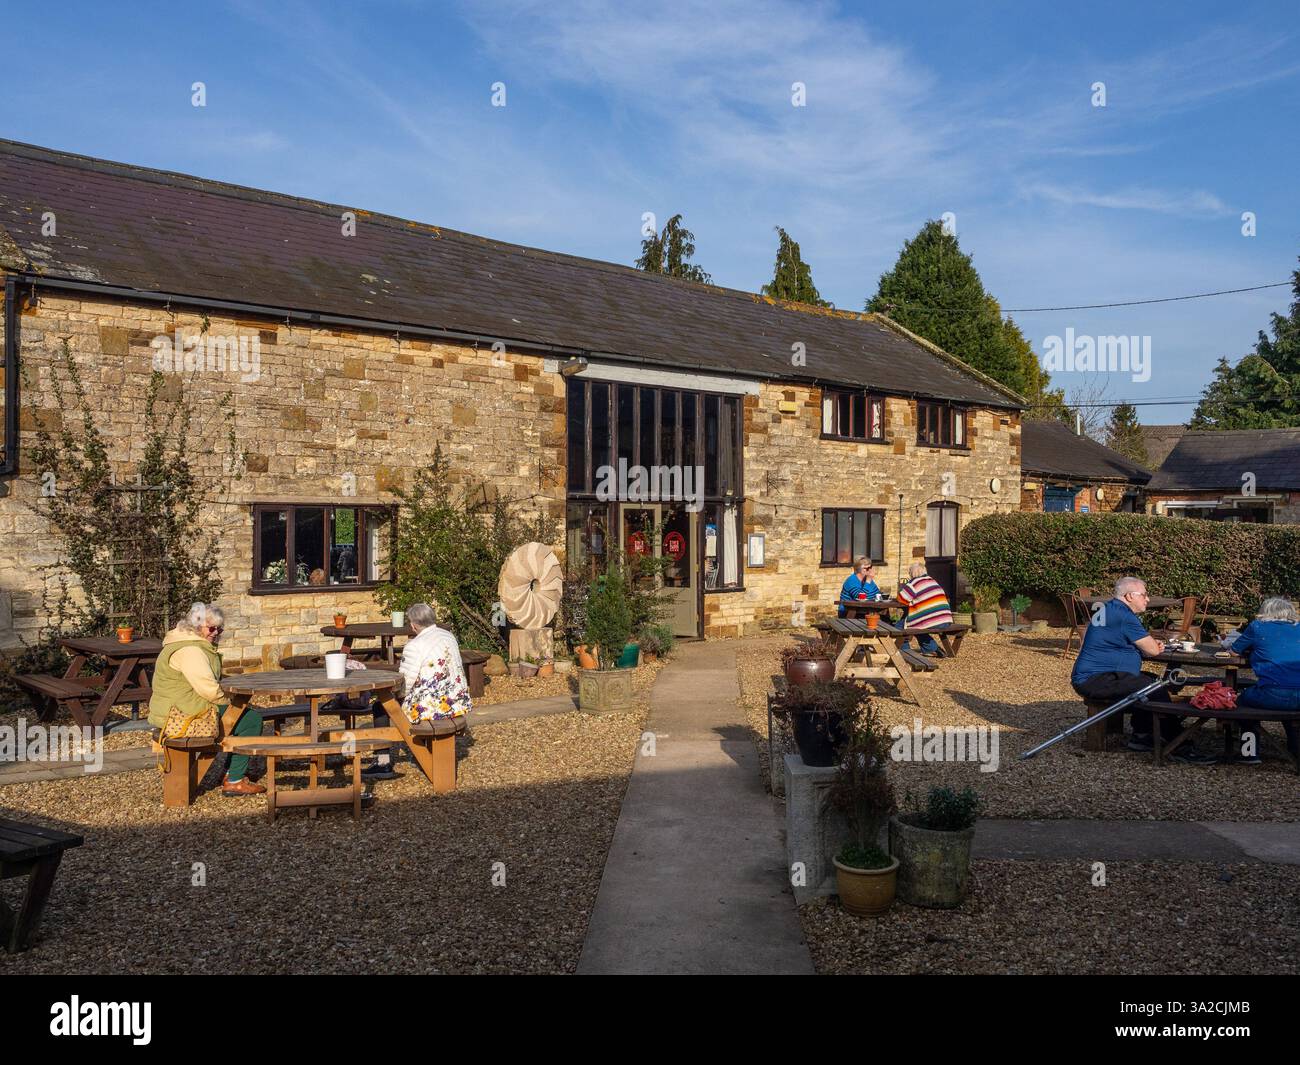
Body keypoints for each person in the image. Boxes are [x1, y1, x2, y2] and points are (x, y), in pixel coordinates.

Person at [1070, 577, 1212, 763]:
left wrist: (1148, 644)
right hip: (1096, 679)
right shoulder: (1124, 616)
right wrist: (1153, 645)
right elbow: (1151, 650)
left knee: (1152, 680)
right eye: (1144, 595)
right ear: (1129, 596)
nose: (1148, 599)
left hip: (1098, 675)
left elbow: (1122, 640)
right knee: (1154, 688)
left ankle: (1142, 735)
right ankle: (1179, 744)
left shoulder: (1109, 609)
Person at [148, 603, 266, 795]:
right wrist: (232, 702)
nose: (216, 633)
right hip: (182, 716)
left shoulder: (182, 643)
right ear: (196, 626)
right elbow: (209, 689)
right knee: (251, 719)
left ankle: (230, 773)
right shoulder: (190, 651)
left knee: (240, 715)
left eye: (219, 629)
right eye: (211, 628)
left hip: (175, 709)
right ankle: (235, 780)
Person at [362, 602, 472, 781]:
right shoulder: (449, 636)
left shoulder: (414, 645)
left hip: (433, 706)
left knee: (381, 707)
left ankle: (382, 763)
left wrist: (392, 696)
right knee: (388, 704)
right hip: (456, 701)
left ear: (413, 625)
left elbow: (406, 680)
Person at [1229, 597, 1300, 766]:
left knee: (1241, 701)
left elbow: (1233, 651)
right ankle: (1294, 747)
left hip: (1272, 692)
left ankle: (1250, 752)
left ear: (1265, 611)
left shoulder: (1258, 627)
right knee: (1290, 707)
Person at [896, 563, 952, 655]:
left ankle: (906, 652)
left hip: (932, 620)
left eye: (910, 573)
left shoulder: (914, 583)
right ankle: (931, 648)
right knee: (916, 625)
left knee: (900, 627)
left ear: (912, 573)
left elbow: (901, 599)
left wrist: (902, 590)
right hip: (945, 620)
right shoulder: (933, 581)